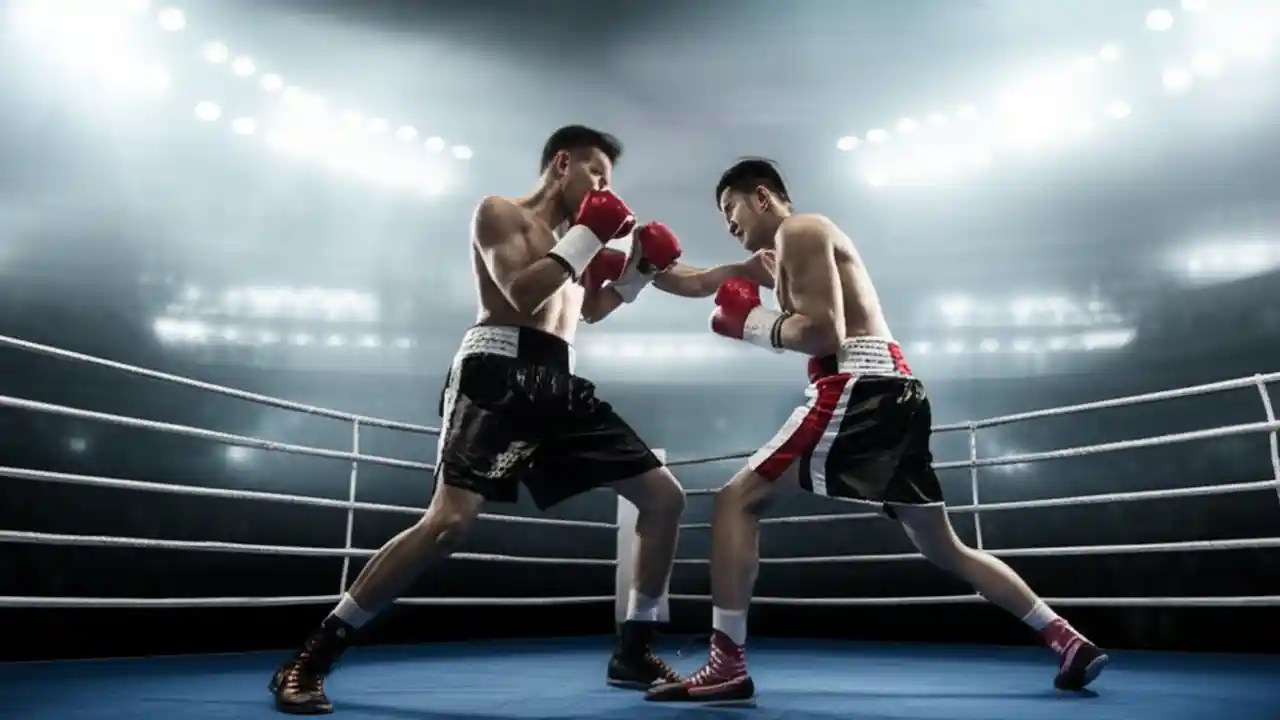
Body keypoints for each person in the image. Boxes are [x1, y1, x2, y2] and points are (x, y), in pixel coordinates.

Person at [640, 158, 1109, 706]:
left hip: (858, 385)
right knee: (944, 547)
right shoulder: (781, 253)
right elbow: (703, 281)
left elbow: (823, 333)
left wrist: (751, 324)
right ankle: (1067, 639)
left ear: (762, 196)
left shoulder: (801, 229)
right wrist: (637, 265)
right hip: (895, 388)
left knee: (735, 502)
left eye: (730, 207)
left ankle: (727, 665)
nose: (727, 222)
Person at [269, 125, 692, 714]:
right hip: (497, 369)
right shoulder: (500, 212)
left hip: (559, 381)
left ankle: (634, 650)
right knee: (447, 525)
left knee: (665, 498)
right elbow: (522, 294)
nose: (603, 188)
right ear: (562, 163)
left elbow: (590, 309)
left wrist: (638, 273)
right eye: (596, 172)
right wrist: (591, 234)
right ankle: (311, 658)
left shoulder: (575, 243)